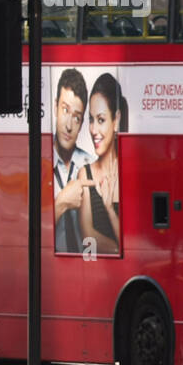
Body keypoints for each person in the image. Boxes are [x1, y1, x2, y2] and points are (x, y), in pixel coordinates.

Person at [76, 73, 126, 255]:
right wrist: (118, 248)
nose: (93, 130)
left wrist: (110, 210)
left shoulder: (128, 173)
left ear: (116, 120)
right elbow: (87, 238)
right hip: (95, 271)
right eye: (91, 119)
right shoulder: (85, 174)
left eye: (101, 120)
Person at [52, 68, 93, 254]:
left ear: (82, 122)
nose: (69, 126)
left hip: (86, 267)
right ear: (55, 108)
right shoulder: (35, 165)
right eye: (65, 110)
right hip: (48, 271)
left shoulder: (91, 166)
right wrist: (61, 203)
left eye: (76, 118)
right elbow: (23, 233)